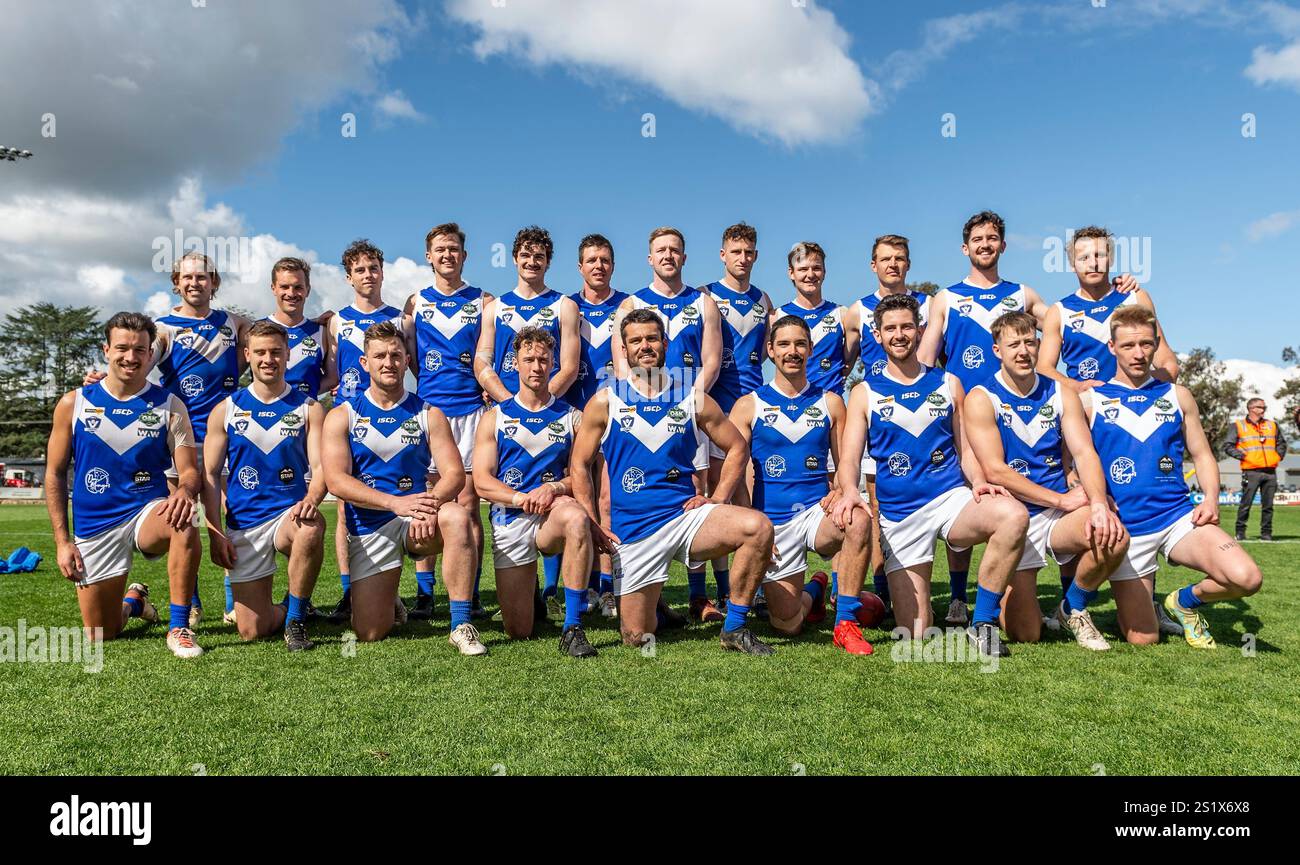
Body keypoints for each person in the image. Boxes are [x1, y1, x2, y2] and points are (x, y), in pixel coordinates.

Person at [920, 212, 1139, 626]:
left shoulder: (1021, 294)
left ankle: (1062, 602)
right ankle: (957, 596)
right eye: (978, 239)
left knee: (1044, 491)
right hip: (971, 414)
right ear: (965, 248)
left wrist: (1116, 290)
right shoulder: (946, 298)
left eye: (993, 238)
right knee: (971, 502)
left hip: (1027, 411)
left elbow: (1064, 317)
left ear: (1002, 245)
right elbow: (928, 356)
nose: (985, 244)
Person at [571, 308, 777, 654]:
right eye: (635, 340)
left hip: (684, 519)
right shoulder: (606, 401)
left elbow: (737, 446)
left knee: (757, 527)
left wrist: (718, 497)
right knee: (637, 637)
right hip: (634, 532)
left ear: (665, 343)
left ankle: (735, 627)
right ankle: (656, 609)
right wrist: (592, 523)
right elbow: (579, 465)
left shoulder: (692, 397)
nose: (645, 345)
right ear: (623, 349)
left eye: (652, 338)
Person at [833, 294, 1028, 658]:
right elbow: (850, 459)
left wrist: (980, 480)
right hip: (900, 514)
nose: (899, 334)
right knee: (914, 634)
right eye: (890, 328)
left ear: (921, 329)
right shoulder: (864, 392)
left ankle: (982, 622)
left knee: (1013, 515)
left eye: (907, 326)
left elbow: (967, 450)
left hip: (949, 499)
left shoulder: (950, 382)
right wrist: (848, 490)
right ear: (877, 334)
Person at [1083, 305, 1262, 648]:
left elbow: (1202, 454)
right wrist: (1095, 499)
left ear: (1156, 345)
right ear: (1111, 347)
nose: (1138, 354)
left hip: (1178, 518)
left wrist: (1210, 497)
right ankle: (1139, 605)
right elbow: (1072, 463)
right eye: (1128, 346)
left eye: (1146, 345)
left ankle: (1183, 602)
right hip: (1127, 530)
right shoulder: (1090, 400)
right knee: (1143, 638)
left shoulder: (1177, 396)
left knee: (1247, 578)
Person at [1036, 224, 1181, 634]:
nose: (1093, 263)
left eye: (1100, 255)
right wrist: (1079, 386)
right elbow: (1045, 368)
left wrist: (1152, 378)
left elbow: (1170, 362)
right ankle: (1073, 607)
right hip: (1089, 424)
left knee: (1139, 510)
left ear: (1111, 259)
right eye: (1084, 256)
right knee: (1094, 508)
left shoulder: (1135, 297)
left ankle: (1147, 601)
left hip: (1138, 427)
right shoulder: (1059, 311)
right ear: (1072, 262)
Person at [963, 312, 1129, 650]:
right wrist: (1060, 500)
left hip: (1059, 516)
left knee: (1113, 534)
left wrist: (1097, 503)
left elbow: (1084, 452)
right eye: (1014, 344)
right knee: (1027, 634)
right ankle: (995, 601)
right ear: (997, 350)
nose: (1023, 351)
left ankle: (1074, 608)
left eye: (1029, 342)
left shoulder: (1060, 391)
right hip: (1015, 518)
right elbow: (995, 470)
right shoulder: (982, 396)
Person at [45, 312, 205, 658]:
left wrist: (184, 491)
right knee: (101, 634)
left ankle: (179, 627)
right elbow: (55, 474)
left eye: (139, 350)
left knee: (186, 517)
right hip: (95, 523)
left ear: (151, 354)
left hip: (146, 513)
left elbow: (190, 471)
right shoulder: (74, 403)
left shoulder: (171, 405)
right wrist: (62, 542)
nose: (130, 357)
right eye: (122, 348)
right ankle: (135, 602)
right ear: (106, 350)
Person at [320, 321, 484, 653]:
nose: (388, 362)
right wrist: (395, 504)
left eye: (396, 355)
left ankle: (461, 624)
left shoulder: (428, 413)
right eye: (379, 356)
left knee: (455, 516)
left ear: (407, 360)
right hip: (370, 526)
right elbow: (336, 481)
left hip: (416, 521)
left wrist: (430, 503)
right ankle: (388, 596)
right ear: (364, 363)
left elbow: (453, 475)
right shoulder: (342, 415)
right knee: (369, 631)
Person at [729, 315, 872, 648]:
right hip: (773, 524)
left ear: (809, 350)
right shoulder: (748, 405)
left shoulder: (832, 403)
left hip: (817, 517)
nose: (792, 351)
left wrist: (840, 492)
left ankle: (846, 623)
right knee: (788, 623)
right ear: (770, 351)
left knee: (859, 518)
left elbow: (845, 464)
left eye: (799, 344)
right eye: (783, 344)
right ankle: (816, 589)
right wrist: (754, 526)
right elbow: (736, 474)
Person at [473, 327, 613, 657]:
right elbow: (481, 480)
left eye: (543, 360)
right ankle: (532, 594)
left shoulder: (572, 417)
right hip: (511, 518)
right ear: (515, 364)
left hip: (553, 513)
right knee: (519, 630)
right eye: (529, 359)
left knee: (577, 519)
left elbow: (583, 472)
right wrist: (521, 498)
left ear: (553, 364)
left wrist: (553, 487)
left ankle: (573, 628)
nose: (536, 367)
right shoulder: (495, 417)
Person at [612, 227, 723, 625]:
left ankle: (701, 597)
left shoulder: (704, 302)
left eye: (675, 250)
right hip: (643, 415)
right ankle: (648, 593)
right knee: (642, 493)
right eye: (661, 250)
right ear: (649, 258)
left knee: (697, 492)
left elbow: (712, 359)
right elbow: (623, 366)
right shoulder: (631, 304)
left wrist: (686, 402)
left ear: (684, 257)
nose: (668, 255)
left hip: (690, 409)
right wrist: (653, 403)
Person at [200, 320, 327, 651]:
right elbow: (211, 475)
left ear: (288, 354)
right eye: (260, 352)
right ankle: (290, 607)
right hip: (245, 523)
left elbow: (320, 466)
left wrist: (312, 497)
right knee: (251, 631)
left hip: (289, 516)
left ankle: (296, 621)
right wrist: (215, 532)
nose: (268, 359)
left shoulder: (310, 408)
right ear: (247, 355)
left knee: (311, 527)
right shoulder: (224, 410)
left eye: (275, 352)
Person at [404, 223, 491, 619]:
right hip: (429, 414)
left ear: (464, 255)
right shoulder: (415, 303)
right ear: (429, 255)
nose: (447, 255)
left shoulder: (484, 301)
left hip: (471, 411)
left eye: (454, 249)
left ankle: (469, 593)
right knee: (427, 504)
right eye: (440, 249)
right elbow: (413, 360)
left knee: (469, 505)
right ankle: (426, 595)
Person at [843, 234, 931, 616]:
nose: (892, 264)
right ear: (873, 265)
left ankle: (952, 594)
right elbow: (840, 365)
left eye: (899, 258)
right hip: (875, 414)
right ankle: (883, 590)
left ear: (908, 263)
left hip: (917, 420)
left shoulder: (929, 305)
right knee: (878, 508)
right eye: (885, 259)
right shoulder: (856, 312)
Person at [324, 240, 407, 626]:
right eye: (360, 270)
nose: (368, 275)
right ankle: (349, 589)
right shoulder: (335, 320)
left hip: (396, 415)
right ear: (349, 277)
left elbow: (417, 367)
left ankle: (413, 592)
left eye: (373, 268)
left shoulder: (401, 319)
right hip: (354, 419)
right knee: (347, 506)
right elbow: (327, 371)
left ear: (382, 272)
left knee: (412, 497)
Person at [701, 222, 777, 616]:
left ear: (755, 256)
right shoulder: (706, 296)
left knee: (750, 488)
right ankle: (714, 590)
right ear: (722, 255)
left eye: (748, 252)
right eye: (735, 251)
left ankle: (751, 584)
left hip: (753, 403)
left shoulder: (764, 300)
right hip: (717, 404)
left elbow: (766, 351)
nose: (742, 258)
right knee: (718, 491)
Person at [564, 234, 628, 618]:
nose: (598, 266)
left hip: (615, 415)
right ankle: (575, 587)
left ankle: (607, 588)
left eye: (605, 259)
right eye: (591, 260)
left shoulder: (630, 305)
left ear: (613, 265)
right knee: (576, 499)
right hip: (573, 417)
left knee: (607, 500)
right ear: (580, 266)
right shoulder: (566, 307)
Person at [1223, 398, 1286, 542]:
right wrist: (1244, 457)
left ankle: (1266, 534)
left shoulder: (1272, 425)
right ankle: (1240, 532)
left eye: (1264, 407)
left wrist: (1277, 457)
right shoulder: (1238, 425)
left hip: (1270, 471)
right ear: (1251, 408)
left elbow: (1281, 443)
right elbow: (1227, 445)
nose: (1263, 410)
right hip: (1251, 471)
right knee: (1246, 503)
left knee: (1268, 506)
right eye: (1260, 407)